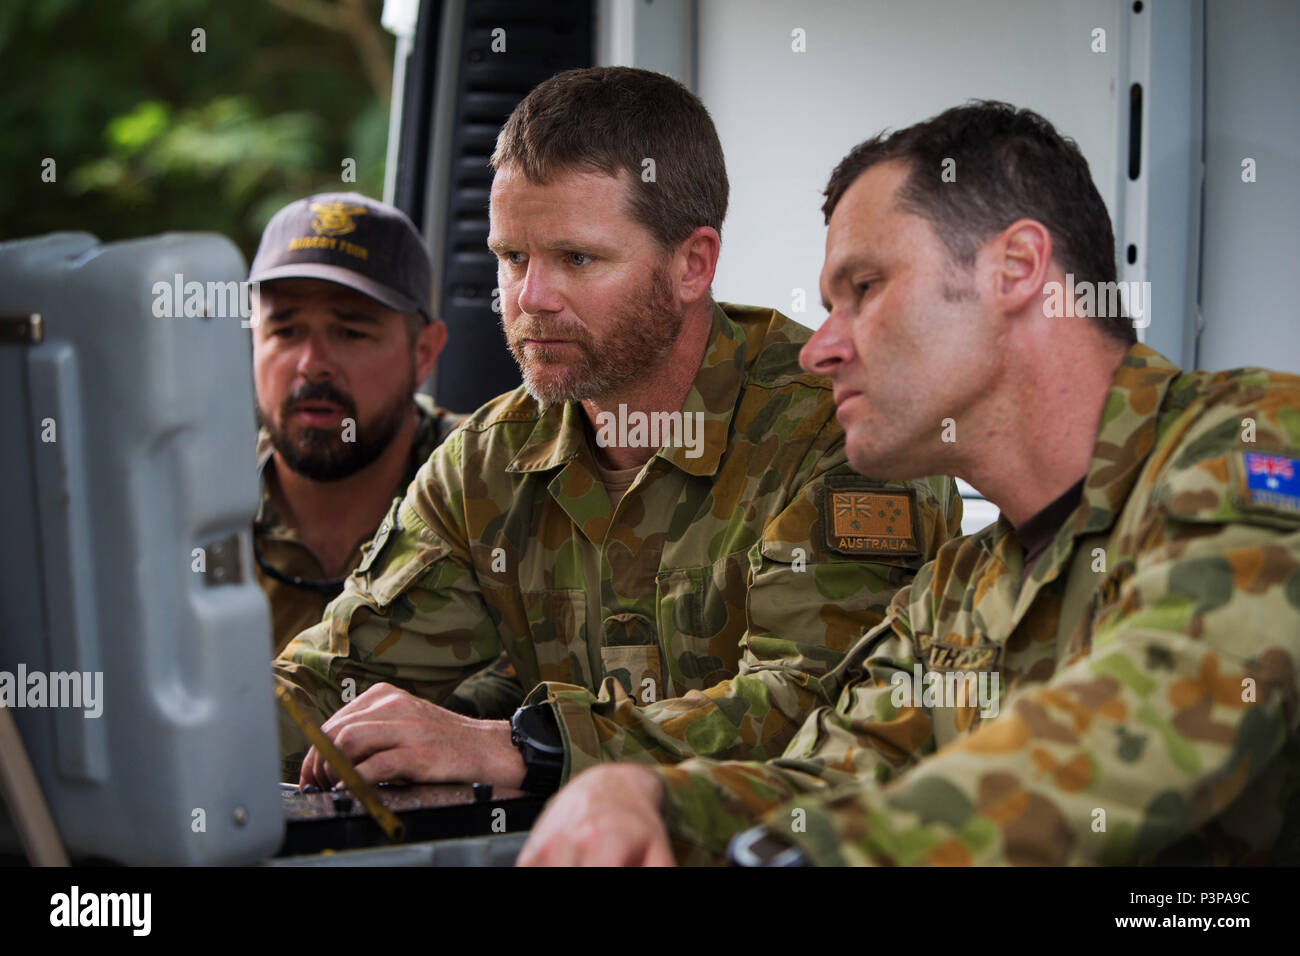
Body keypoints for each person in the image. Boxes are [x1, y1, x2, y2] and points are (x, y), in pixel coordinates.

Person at [517, 100, 1300, 866]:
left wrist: (808, 853)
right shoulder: (955, 592)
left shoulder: (1251, 440)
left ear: (1017, 269)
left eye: (864, 289)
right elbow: (835, 779)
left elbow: (1161, 713)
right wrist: (650, 801)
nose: (818, 349)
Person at [275, 67, 962, 789]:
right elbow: (322, 686)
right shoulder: (487, 466)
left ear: (692, 265)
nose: (531, 299)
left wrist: (525, 746)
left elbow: (813, 708)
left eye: (577, 258)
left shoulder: (845, 431)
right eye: (512, 257)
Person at [249, 192, 460, 655]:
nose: (312, 365)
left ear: (423, 352)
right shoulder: (192, 510)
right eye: (285, 331)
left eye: (350, 332)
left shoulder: (489, 491)